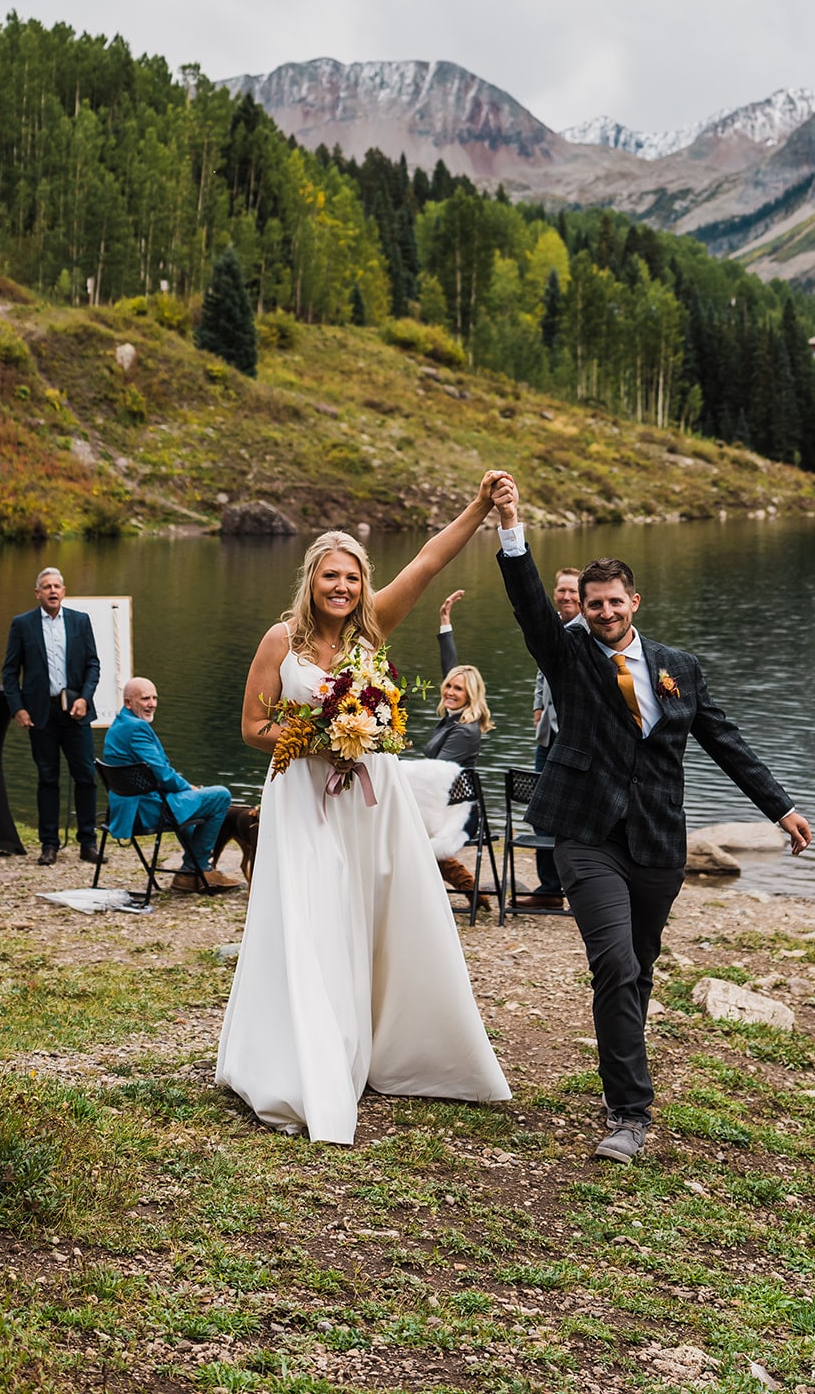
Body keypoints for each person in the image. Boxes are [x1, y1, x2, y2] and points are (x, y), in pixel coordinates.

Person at [491, 475, 811, 1164]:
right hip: (585, 835)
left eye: (613, 603)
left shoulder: (677, 669)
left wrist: (778, 806)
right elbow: (527, 607)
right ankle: (629, 1112)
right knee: (612, 962)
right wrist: (511, 527)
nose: (603, 613)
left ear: (633, 602)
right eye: (593, 604)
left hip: (658, 841)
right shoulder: (568, 653)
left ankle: (619, 1071)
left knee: (637, 969)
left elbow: (724, 740)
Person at [216, 475, 511, 1144]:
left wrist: (477, 509)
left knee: (374, 916)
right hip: (302, 797)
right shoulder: (279, 641)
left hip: (369, 799)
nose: (342, 588)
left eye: (351, 577)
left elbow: (429, 561)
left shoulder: (371, 629)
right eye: (330, 577)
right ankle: (308, 1060)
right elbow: (251, 727)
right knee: (311, 915)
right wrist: (316, 734)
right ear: (310, 581)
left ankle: (387, 1047)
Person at [2, 566, 100, 866]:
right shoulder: (23, 624)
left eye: (57, 586)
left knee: (86, 776)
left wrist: (84, 698)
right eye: (47, 587)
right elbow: (10, 671)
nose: (53, 591)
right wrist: (17, 708)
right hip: (40, 712)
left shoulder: (80, 621)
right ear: (38, 593)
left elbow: (93, 665)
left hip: (75, 709)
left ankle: (88, 843)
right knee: (48, 778)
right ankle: (49, 845)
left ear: (64, 591)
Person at [103, 677, 239, 893]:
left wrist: (185, 789)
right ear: (128, 702)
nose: (152, 703)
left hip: (128, 807)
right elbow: (163, 774)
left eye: (154, 697)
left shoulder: (119, 725)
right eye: (145, 698)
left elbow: (154, 774)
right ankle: (196, 868)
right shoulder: (137, 728)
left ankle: (194, 870)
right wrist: (189, 788)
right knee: (220, 795)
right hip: (146, 810)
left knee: (191, 803)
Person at [423, 588, 495, 908]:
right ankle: (466, 890)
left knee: (399, 823)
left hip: (456, 812)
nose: (451, 691)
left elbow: (436, 774)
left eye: (458, 689)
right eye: (449, 686)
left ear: (471, 696)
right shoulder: (454, 717)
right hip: (440, 802)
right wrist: (445, 623)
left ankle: (468, 888)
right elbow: (452, 670)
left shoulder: (465, 731)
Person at [524, 566, 582, 906]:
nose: (566, 596)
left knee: (573, 815)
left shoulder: (588, 633)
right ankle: (549, 890)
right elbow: (540, 673)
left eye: (573, 591)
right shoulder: (553, 627)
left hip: (574, 739)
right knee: (541, 809)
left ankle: (580, 889)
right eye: (561, 590)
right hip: (548, 737)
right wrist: (537, 708)